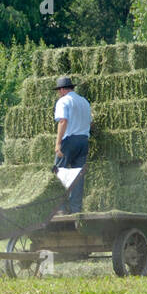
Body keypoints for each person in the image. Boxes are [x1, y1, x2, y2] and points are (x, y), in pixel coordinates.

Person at [53, 75, 91, 214]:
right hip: (83, 141)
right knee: (78, 176)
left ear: (63, 90)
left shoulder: (64, 101)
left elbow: (63, 121)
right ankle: (76, 209)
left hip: (69, 141)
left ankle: (60, 209)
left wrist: (58, 144)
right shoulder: (84, 102)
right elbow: (90, 122)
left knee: (58, 174)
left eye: (58, 90)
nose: (58, 93)